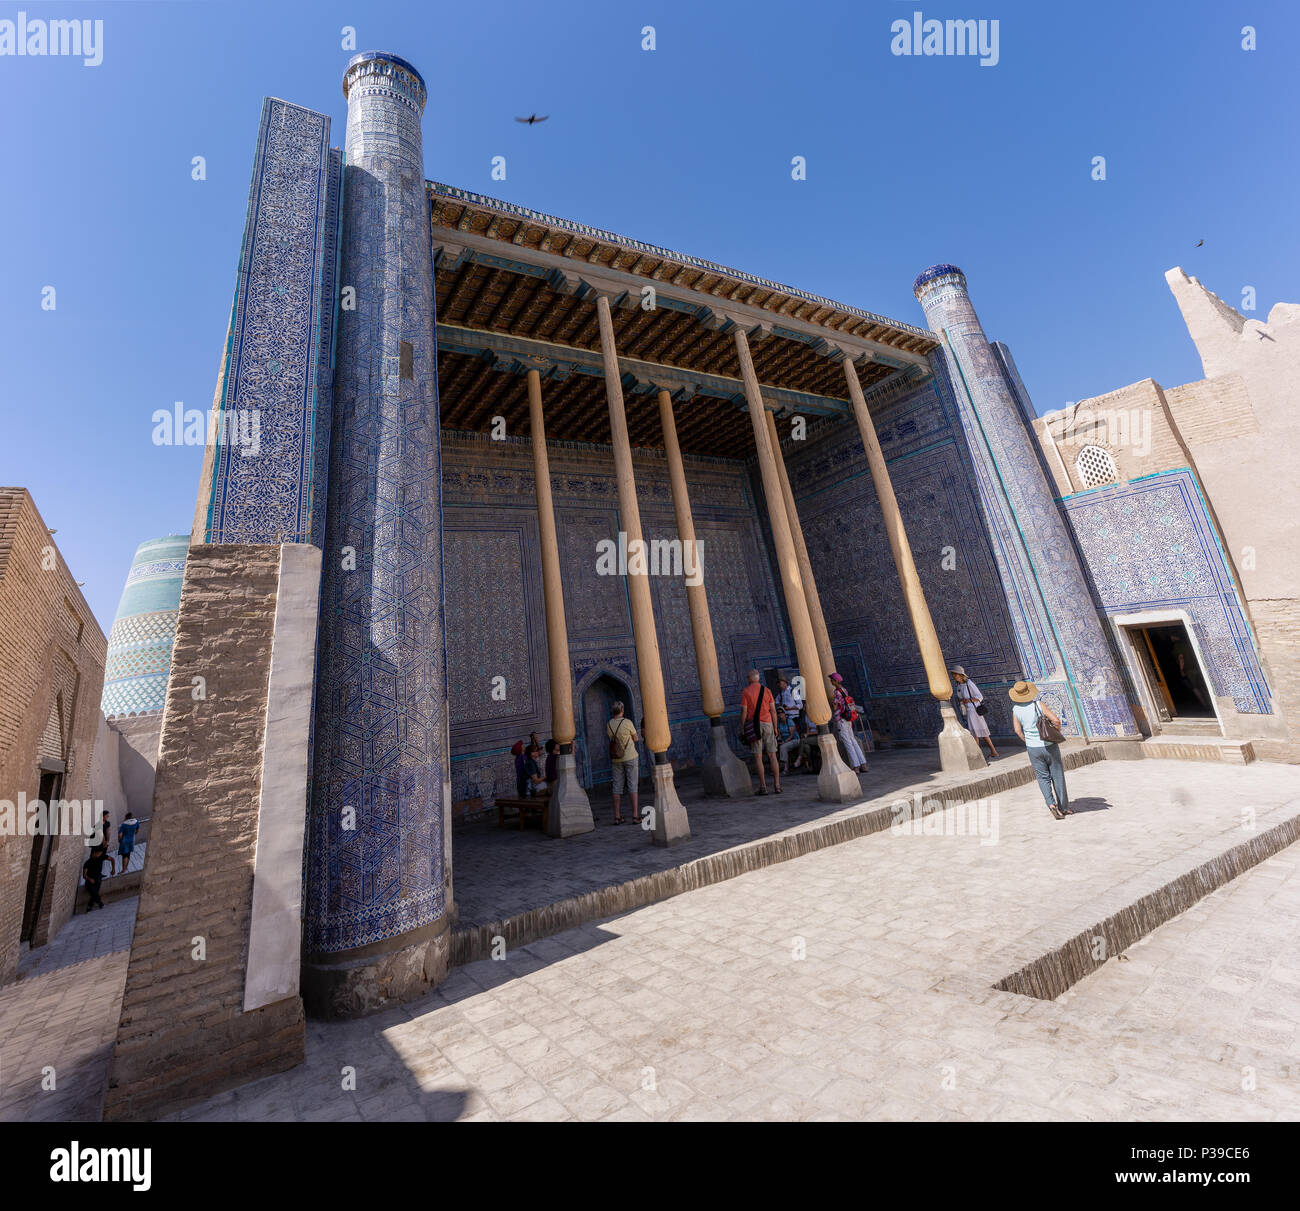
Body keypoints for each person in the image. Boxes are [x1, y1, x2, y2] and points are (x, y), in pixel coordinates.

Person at [1009, 680, 1072, 820]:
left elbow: (1017, 730)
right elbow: (1055, 720)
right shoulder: (1038, 705)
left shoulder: (1016, 710)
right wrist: (1057, 732)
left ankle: (1050, 804)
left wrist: (1028, 741)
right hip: (1049, 745)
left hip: (1033, 748)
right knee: (1057, 776)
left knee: (1042, 777)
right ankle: (1063, 807)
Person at [740, 670, 781, 795]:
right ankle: (777, 785)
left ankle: (763, 787)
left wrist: (742, 727)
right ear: (758, 678)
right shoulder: (767, 690)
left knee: (758, 757)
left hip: (754, 725)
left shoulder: (746, 692)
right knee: (772, 755)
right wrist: (775, 727)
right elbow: (773, 710)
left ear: (749, 678)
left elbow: (744, 712)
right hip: (768, 723)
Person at [950, 664, 999, 759]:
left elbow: (980, 697)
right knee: (975, 732)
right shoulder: (959, 686)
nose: (954, 676)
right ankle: (984, 753)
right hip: (968, 711)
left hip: (975, 711)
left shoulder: (969, 684)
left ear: (960, 675)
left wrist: (968, 700)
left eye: (955, 674)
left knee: (980, 732)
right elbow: (961, 698)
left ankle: (985, 753)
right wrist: (962, 700)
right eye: (953, 675)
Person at [607, 701, 639, 825]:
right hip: (630, 756)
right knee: (632, 785)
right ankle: (635, 815)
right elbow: (636, 738)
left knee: (617, 787)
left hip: (616, 759)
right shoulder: (627, 722)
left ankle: (617, 816)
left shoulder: (609, 724)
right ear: (622, 710)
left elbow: (611, 738)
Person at [829, 673, 868, 774]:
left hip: (841, 719)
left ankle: (856, 767)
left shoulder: (836, 693)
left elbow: (835, 707)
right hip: (848, 719)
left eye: (832, 680)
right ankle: (863, 764)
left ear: (836, 681)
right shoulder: (845, 690)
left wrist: (833, 703)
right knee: (853, 740)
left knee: (848, 742)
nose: (831, 681)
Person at [82, 844, 107, 912]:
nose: (99, 855)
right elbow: (84, 875)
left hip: (98, 880)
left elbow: (111, 859)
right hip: (89, 882)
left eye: (100, 854)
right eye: (98, 853)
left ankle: (89, 907)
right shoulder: (87, 863)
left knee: (94, 894)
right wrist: (90, 879)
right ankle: (100, 903)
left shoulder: (99, 859)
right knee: (94, 892)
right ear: (94, 853)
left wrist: (113, 869)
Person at [116, 811, 140, 876]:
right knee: (128, 854)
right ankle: (126, 868)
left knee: (124, 855)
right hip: (131, 840)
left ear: (126, 817)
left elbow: (120, 835)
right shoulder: (136, 822)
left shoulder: (124, 825)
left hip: (124, 841)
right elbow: (137, 831)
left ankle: (123, 870)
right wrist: (133, 834)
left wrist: (119, 840)